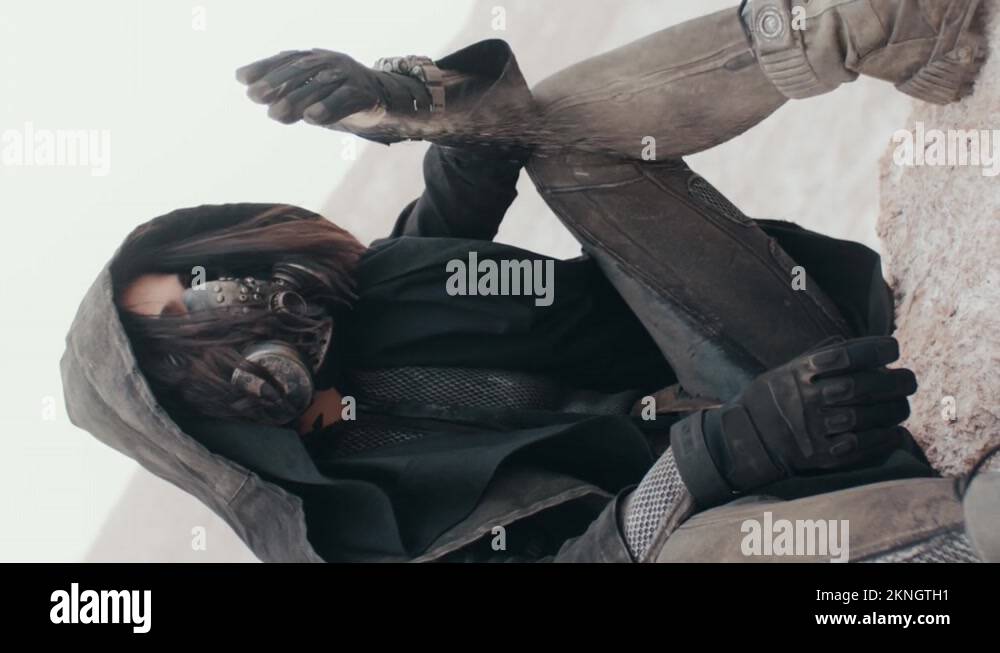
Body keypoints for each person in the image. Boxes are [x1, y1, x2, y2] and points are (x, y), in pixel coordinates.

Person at [64, 0, 994, 562]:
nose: (224, 307)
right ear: (186, 421)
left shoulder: (383, 290)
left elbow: (499, 140)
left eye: (203, 282)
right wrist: (719, 457)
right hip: (765, 516)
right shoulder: (347, 537)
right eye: (184, 327)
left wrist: (400, 103)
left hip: (811, 369)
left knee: (570, 129)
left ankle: (894, 23)